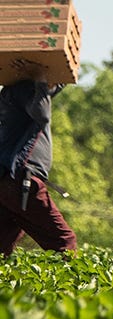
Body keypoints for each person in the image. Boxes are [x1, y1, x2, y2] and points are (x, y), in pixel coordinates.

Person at [0, 59, 77, 256]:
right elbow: (42, 114)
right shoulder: (25, 90)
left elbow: (42, 99)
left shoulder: (10, 93)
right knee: (64, 241)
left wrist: (48, 84)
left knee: (3, 243)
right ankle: (71, 285)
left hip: (6, 182)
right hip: (23, 179)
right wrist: (41, 79)